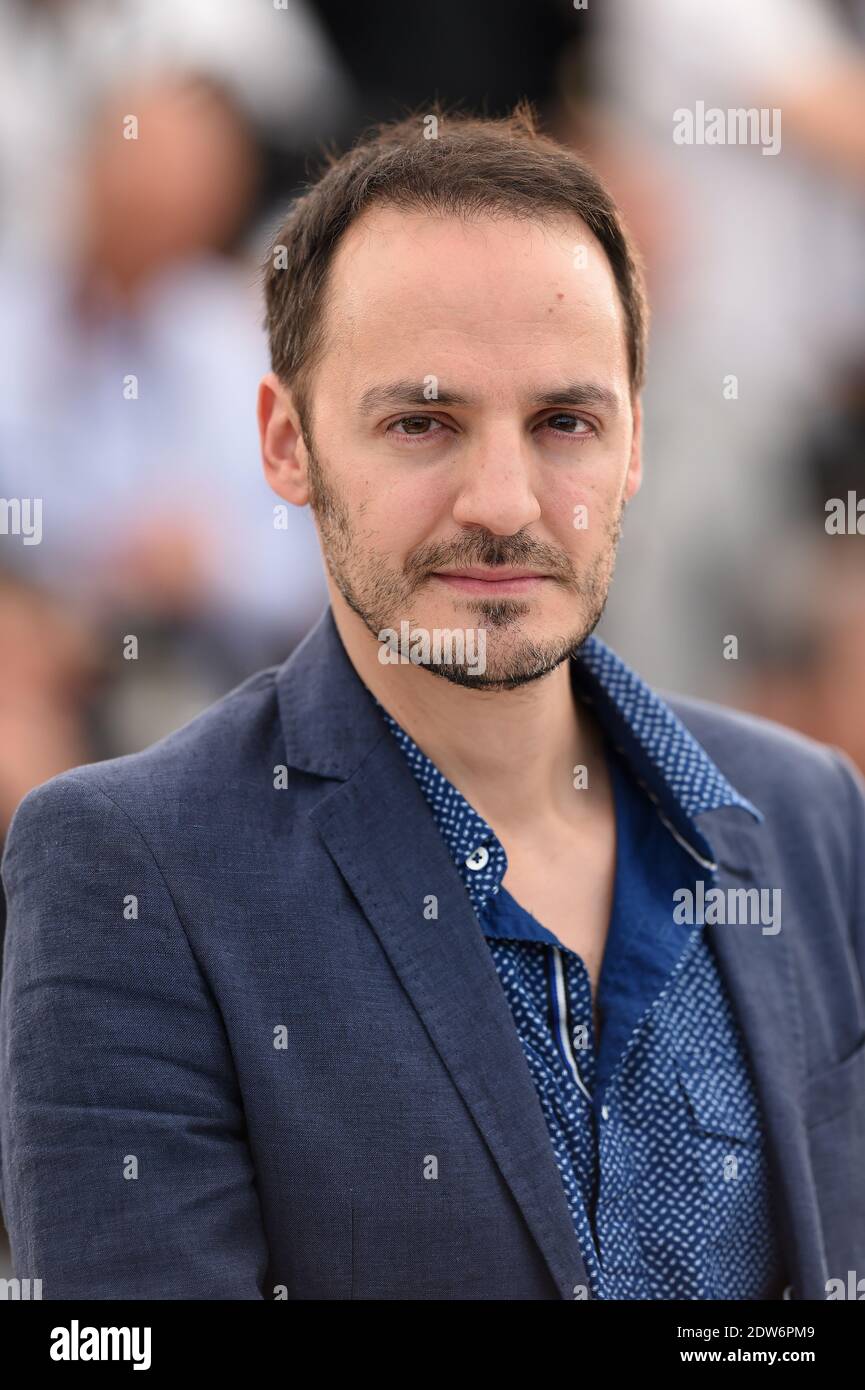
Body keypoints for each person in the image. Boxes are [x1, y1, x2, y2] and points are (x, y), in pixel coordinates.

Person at [1, 106, 863, 1301]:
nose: (502, 501)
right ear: (287, 443)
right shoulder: (128, 866)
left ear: (633, 445)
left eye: (564, 421)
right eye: (422, 422)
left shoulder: (809, 817)